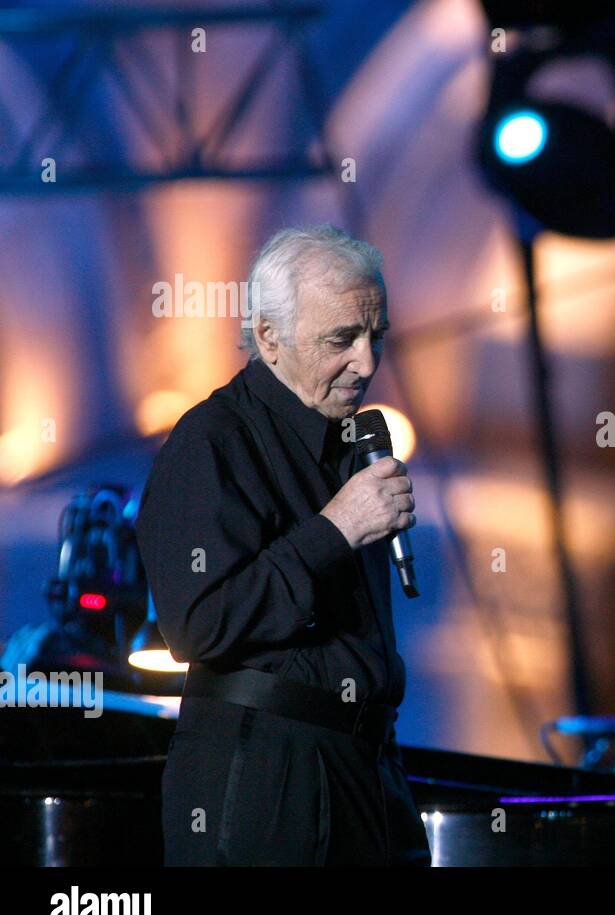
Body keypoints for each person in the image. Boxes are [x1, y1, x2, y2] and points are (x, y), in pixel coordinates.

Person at [135, 224, 430, 866]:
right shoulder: (213, 442)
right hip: (267, 778)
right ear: (269, 337)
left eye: (376, 336)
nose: (368, 362)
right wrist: (335, 531)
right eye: (341, 340)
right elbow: (198, 624)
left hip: (366, 766)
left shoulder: (348, 441)